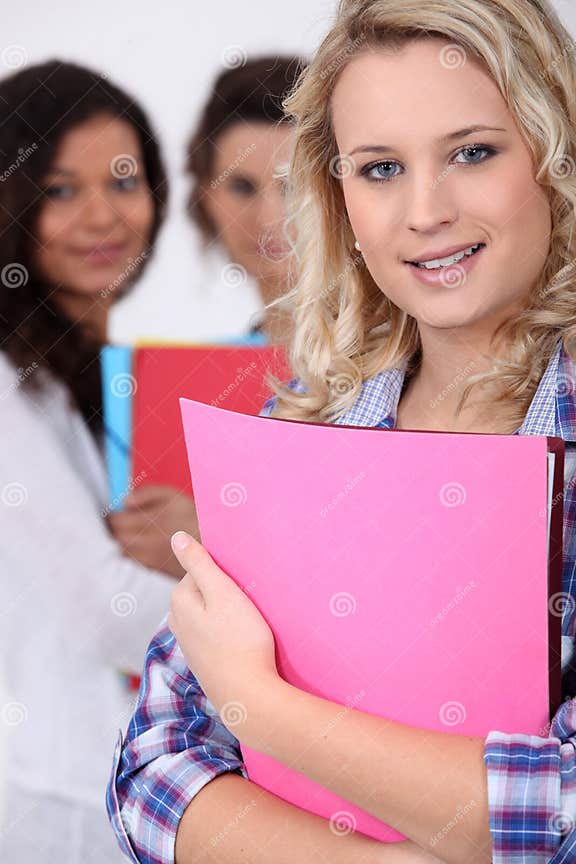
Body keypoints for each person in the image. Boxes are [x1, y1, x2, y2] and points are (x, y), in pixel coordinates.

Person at [107, 0, 576, 862]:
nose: (424, 211)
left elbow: (566, 809)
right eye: (380, 168)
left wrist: (261, 704)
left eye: (473, 152)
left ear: (556, 158)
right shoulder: (298, 430)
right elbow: (152, 773)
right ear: (339, 197)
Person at [0, 60, 192, 861]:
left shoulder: (103, 371)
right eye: (60, 190)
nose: (103, 216)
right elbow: (102, 610)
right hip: (64, 803)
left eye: (123, 181)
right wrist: (268, 587)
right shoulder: (8, 385)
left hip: (125, 783)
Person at [185, 55, 306, 347]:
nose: (270, 219)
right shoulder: (208, 367)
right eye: (242, 187)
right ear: (206, 198)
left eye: (294, 186)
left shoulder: (409, 364)